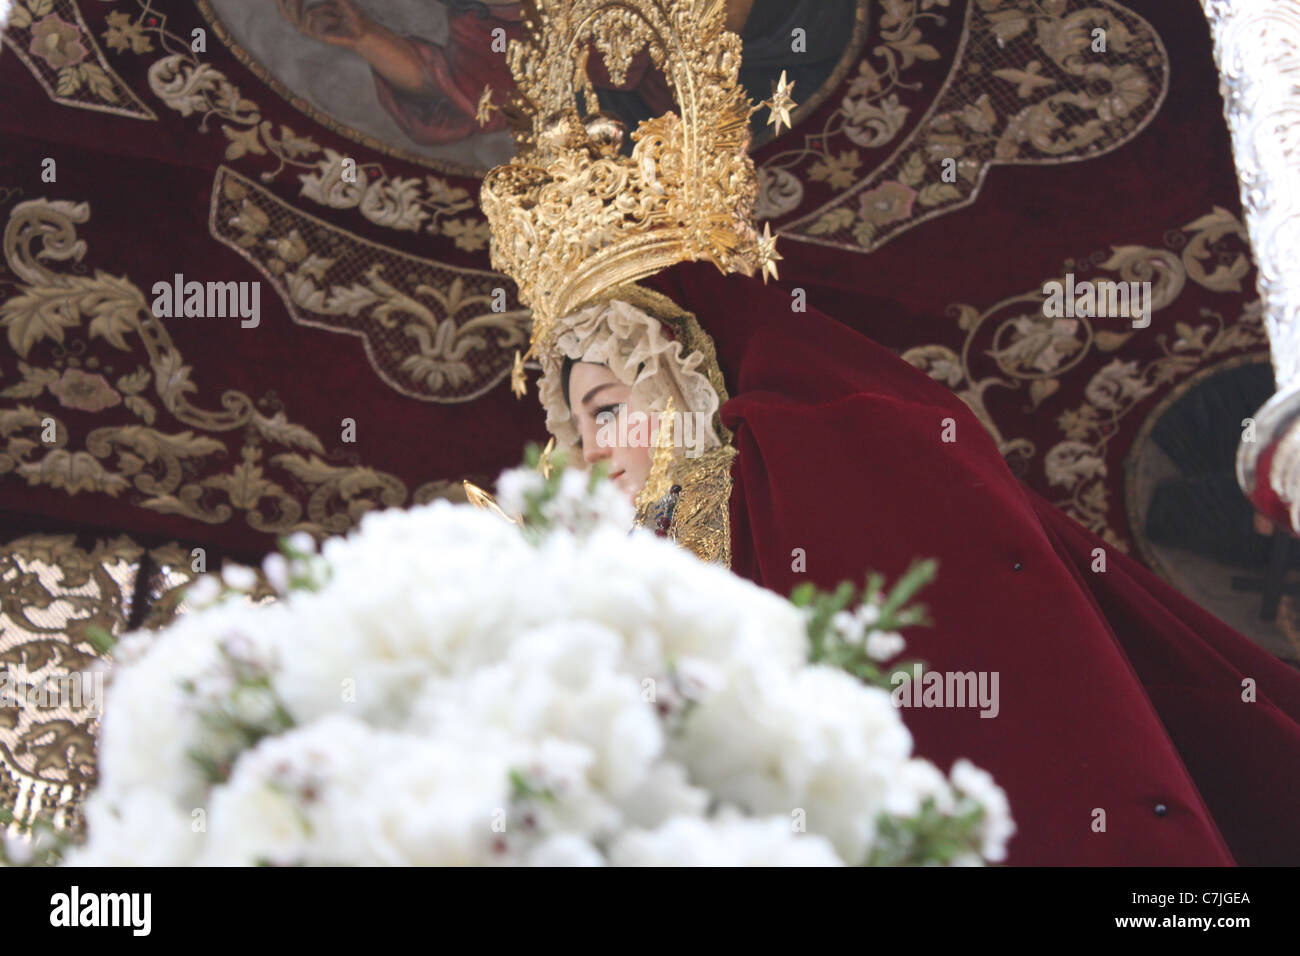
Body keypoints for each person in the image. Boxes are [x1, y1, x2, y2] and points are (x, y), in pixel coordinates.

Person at [531, 262, 1300, 867]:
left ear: (680, 383)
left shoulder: (811, 458)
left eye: (605, 407)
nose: (591, 449)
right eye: (578, 426)